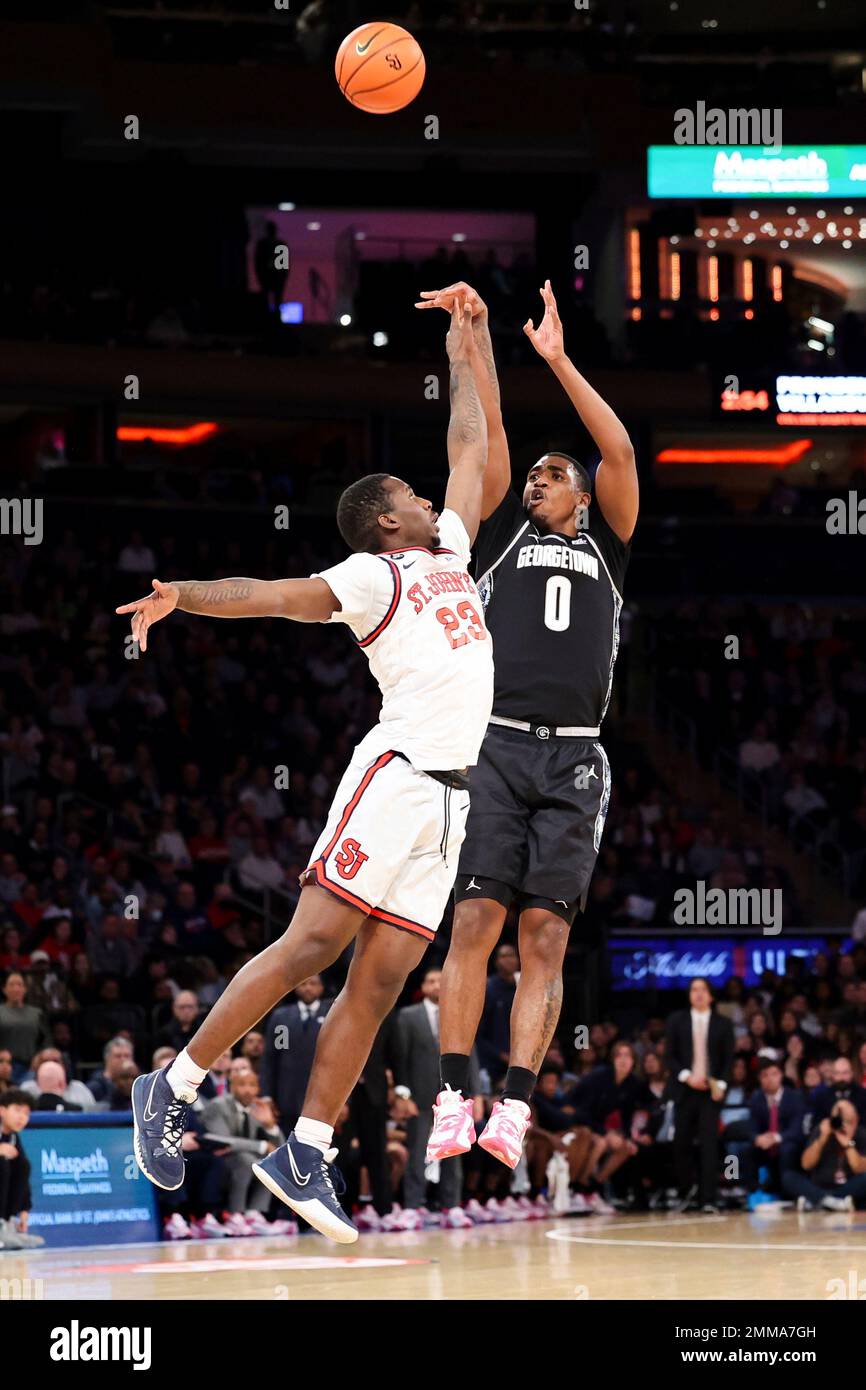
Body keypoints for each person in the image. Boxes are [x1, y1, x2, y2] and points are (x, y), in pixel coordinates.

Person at [123, 299, 492, 1244]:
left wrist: (468, 340)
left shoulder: (447, 546)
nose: (426, 493)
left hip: (454, 800)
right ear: (382, 519)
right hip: (400, 770)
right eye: (407, 492)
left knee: (384, 982)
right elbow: (275, 596)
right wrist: (186, 596)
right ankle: (175, 1081)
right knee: (312, 947)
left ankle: (307, 1151)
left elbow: (471, 445)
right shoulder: (375, 573)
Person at [416, 279, 638, 1170]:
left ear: (581, 498)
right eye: (538, 475)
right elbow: (489, 435)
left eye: (558, 475)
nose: (541, 479)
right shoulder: (504, 533)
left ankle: (512, 1106)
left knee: (544, 938)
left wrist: (559, 359)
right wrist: (475, 340)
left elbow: (615, 445)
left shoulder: (608, 543)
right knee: (472, 927)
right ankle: (449, 1095)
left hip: (577, 758)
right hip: (496, 745)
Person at [395, 968, 482, 1219]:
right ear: (422, 987)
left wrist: (476, 1094)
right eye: (431, 980)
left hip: (453, 1095)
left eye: (441, 981)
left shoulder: (458, 1014)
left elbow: (471, 1057)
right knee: (417, 1151)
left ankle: (452, 1205)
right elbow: (400, 1058)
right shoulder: (408, 1016)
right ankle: (413, 1206)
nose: (436, 985)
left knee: (454, 1151)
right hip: (419, 1096)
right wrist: (403, 1095)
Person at [666, 977, 735, 1213]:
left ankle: (708, 1199)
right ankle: (687, 1194)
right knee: (681, 1143)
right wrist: (687, 1076)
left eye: (703, 989)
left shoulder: (723, 1023)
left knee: (709, 1145)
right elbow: (670, 1056)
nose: (698, 994)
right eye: (694, 989)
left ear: (711, 995)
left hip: (710, 1092)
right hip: (685, 1089)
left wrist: (722, 1086)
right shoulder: (676, 1021)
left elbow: (728, 1059)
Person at [200, 1062, 285, 1215]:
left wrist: (270, 1125)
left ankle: (256, 1213)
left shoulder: (257, 1107)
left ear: (258, 1088)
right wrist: (261, 1145)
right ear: (232, 1087)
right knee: (247, 1161)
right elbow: (223, 1141)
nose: (248, 1090)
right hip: (219, 1158)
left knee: (271, 1162)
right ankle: (236, 1214)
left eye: (252, 1085)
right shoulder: (217, 1106)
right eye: (242, 1085)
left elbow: (281, 1148)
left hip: (245, 1158)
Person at [259, 976, 333, 1135]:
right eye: (303, 983)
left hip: (321, 1096)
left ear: (321, 988)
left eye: (313, 983)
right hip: (287, 1096)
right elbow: (273, 1058)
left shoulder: (332, 1015)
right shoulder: (282, 1017)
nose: (308, 988)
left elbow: (340, 1061)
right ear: (295, 987)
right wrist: (267, 1094)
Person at [782, 1098, 866, 1211]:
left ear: (856, 1120)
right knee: (788, 1177)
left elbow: (859, 1169)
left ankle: (819, 1200)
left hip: (847, 1188)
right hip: (819, 1186)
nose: (843, 1125)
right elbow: (806, 1165)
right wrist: (821, 1139)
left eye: (848, 1121)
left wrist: (848, 1144)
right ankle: (830, 1202)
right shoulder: (822, 1131)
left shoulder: (861, 1134)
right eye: (840, 1120)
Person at [742, 1058, 804, 1195]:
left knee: (787, 1150)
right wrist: (757, 1138)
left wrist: (776, 1138)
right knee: (744, 1152)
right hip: (765, 1145)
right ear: (760, 1079)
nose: (770, 1079)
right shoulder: (756, 1099)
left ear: (781, 1075)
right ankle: (752, 1193)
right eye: (765, 1075)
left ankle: (786, 1193)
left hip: (787, 1142)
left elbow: (797, 1129)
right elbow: (751, 1127)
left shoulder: (794, 1097)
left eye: (774, 1074)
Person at [0, 1088, 44, 1249]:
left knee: (22, 1164)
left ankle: (7, 1223)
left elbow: (22, 1175)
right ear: (2, 1110)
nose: (22, 1117)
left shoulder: (12, 1137)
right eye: (17, 1110)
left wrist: (24, 1211)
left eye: (26, 1113)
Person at [0, 972, 49, 1081]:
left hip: (31, 1067)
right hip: (5, 1067)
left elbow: (46, 1041)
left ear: (25, 989)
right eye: (11, 985)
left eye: (20, 985)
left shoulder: (36, 1014)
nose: (16, 989)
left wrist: (39, 1057)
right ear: (4, 989)